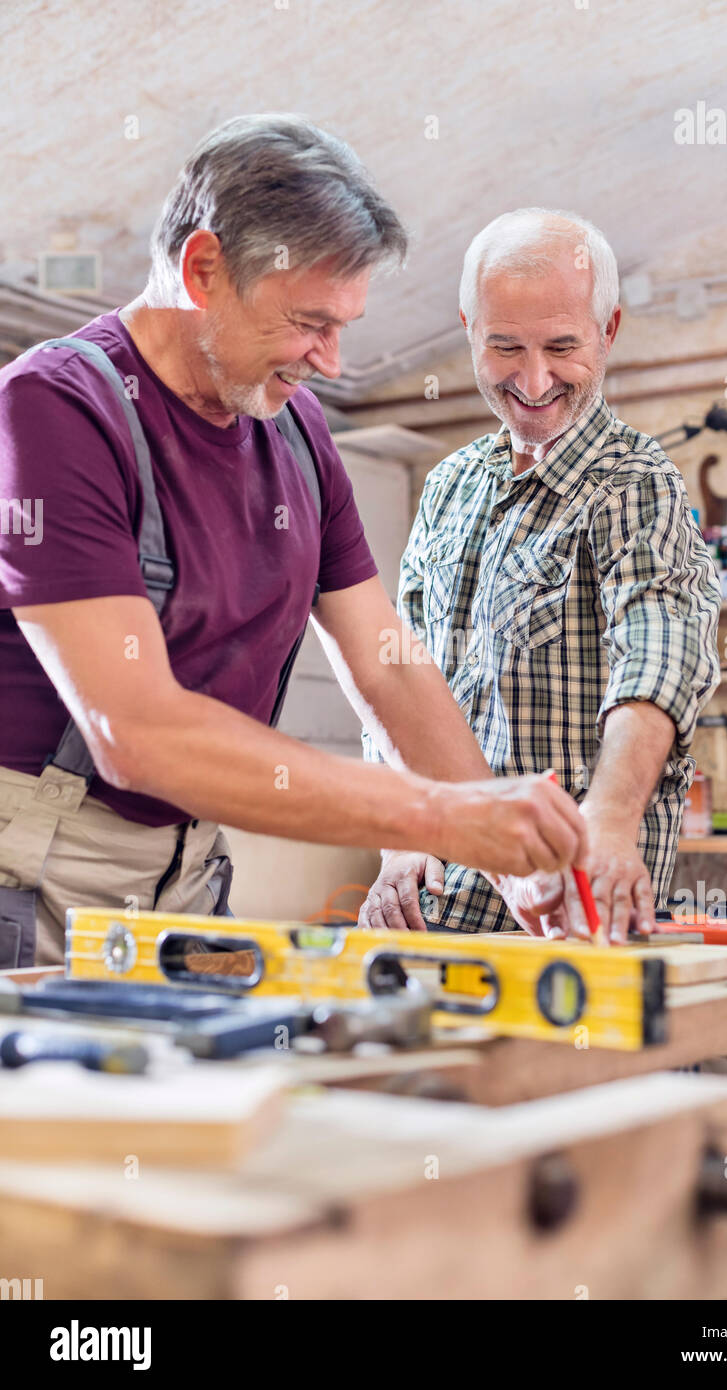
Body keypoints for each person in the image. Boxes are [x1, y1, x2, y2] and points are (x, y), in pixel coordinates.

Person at [0, 125, 587, 968]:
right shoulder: (56, 409)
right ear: (204, 269)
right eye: (310, 322)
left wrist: (502, 836)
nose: (335, 361)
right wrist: (431, 814)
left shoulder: (299, 435)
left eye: (344, 324)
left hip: (192, 877)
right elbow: (136, 733)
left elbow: (385, 660)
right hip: (35, 869)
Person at [360, 209, 721, 942]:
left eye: (562, 346)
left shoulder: (634, 483)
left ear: (608, 329)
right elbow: (399, 672)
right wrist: (398, 837)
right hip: (439, 918)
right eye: (504, 347)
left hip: (575, 918)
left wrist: (609, 822)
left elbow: (660, 652)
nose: (533, 379)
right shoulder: (450, 485)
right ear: (468, 327)